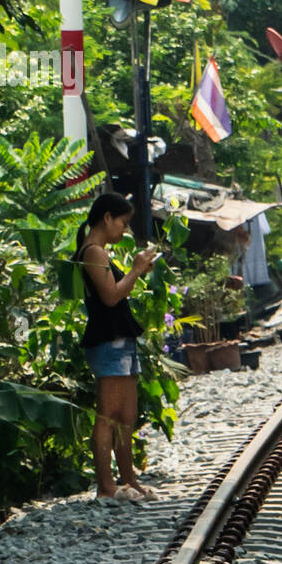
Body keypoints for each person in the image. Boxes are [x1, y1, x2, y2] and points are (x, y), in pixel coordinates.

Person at [73, 193, 160, 502]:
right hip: (108, 341)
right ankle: (107, 487)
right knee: (108, 415)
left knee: (127, 415)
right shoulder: (94, 251)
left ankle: (128, 480)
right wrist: (135, 270)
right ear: (107, 217)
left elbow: (116, 294)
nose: (124, 230)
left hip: (119, 340)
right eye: (122, 222)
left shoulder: (100, 252)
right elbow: (111, 297)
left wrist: (137, 272)